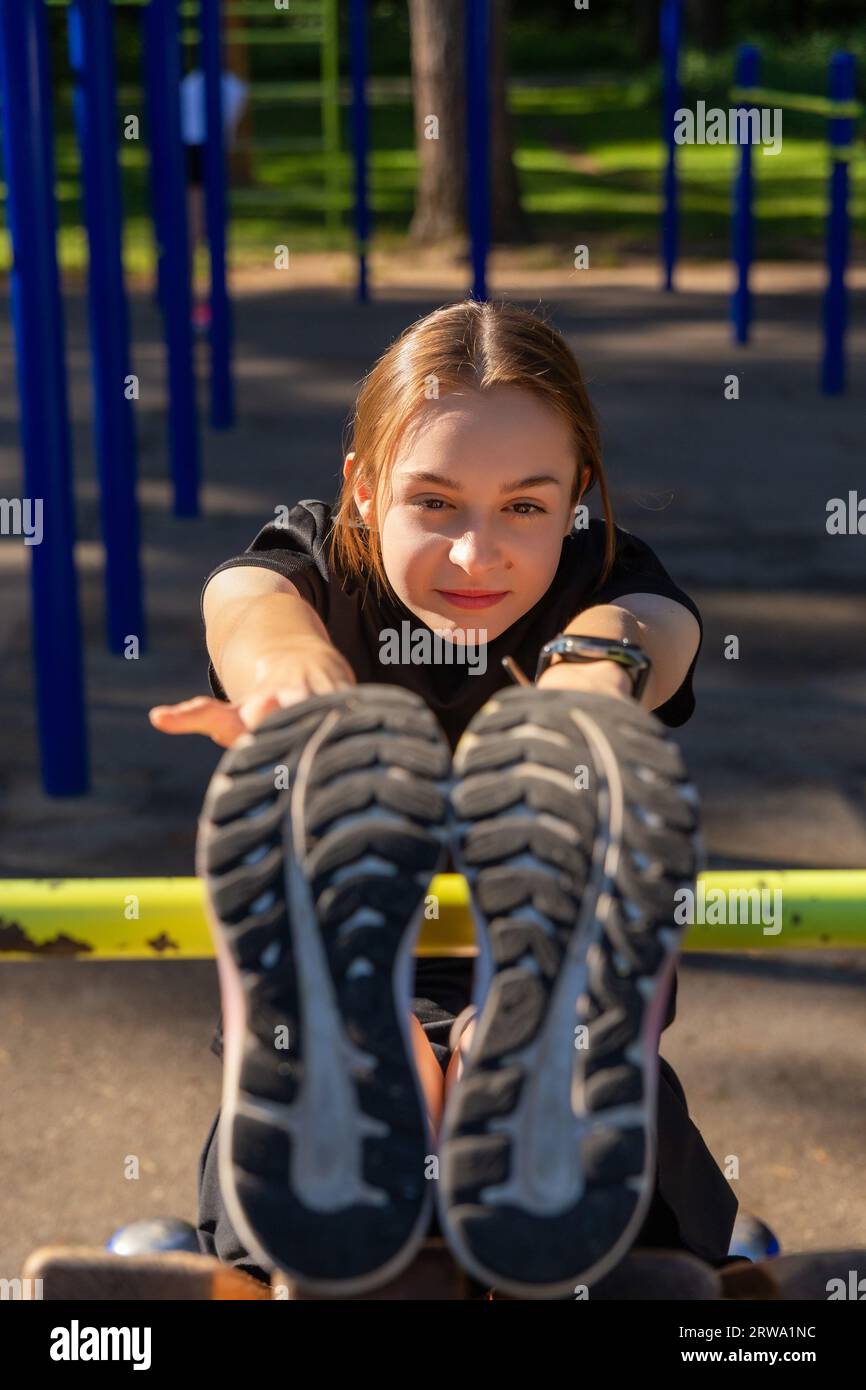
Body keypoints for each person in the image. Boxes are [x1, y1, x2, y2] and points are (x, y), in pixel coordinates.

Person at [149, 299, 739, 1300]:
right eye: (433, 503)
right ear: (363, 492)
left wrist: (590, 682)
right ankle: (409, 1057)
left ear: (579, 499)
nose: (477, 554)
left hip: (573, 1018)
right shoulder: (313, 564)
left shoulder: (604, 580)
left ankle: (479, 1057)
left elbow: (643, 630)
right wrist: (290, 670)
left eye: (523, 505)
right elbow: (245, 602)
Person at [179, 65, 248, 332]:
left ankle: (194, 300)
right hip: (208, 153)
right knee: (200, 231)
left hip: (193, 152)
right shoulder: (234, 87)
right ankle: (199, 302)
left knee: (194, 231)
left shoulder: (188, 82)